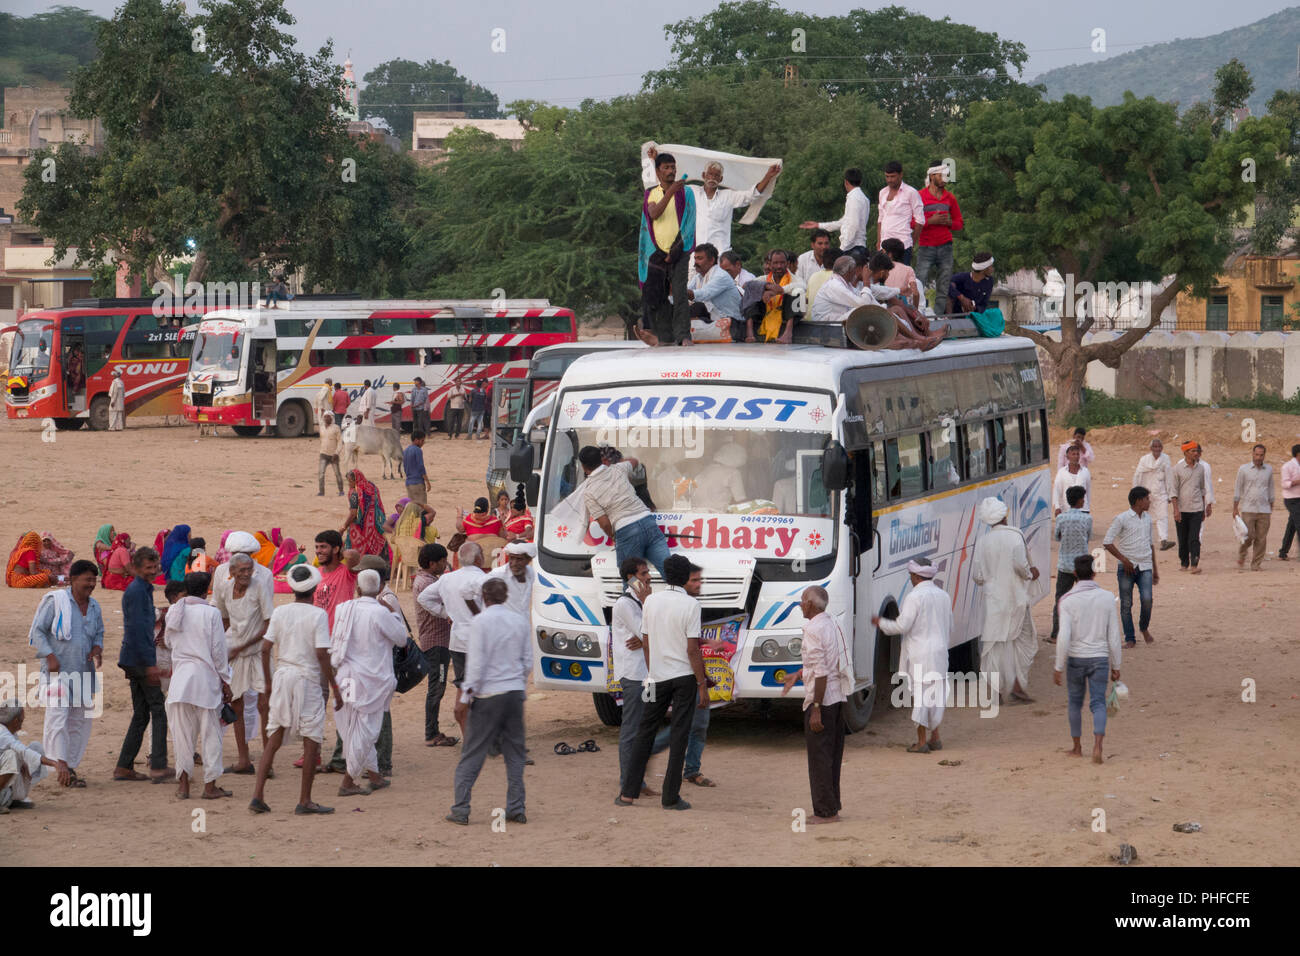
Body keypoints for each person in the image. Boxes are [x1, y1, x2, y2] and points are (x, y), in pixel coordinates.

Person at [616, 555, 707, 811]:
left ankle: (628, 793)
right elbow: (692, 650)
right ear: (685, 576)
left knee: (644, 733)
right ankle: (670, 797)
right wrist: (702, 684)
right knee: (679, 736)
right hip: (684, 678)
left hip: (657, 677)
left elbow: (646, 642)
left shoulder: (651, 601)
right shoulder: (691, 605)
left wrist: (653, 670)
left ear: (665, 576)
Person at [249, 563, 337, 815]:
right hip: (306, 679)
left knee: (274, 737)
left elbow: (265, 649)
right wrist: (335, 687)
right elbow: (321, 654)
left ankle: (258, 795)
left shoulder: (280, 612)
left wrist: (267, 683)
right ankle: (305, 800)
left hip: (282, 676)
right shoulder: (318, 615)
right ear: (315, 588)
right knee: (311, 740)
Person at [445, 577, 532, 825]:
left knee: (473, 754)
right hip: (514, 693)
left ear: (484, 597)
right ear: (505, 596)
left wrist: (465, 697)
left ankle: (460, 809)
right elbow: (527, 661)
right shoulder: (519, 621)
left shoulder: (480, 622)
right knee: (515, 754)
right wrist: (518, 684)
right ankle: (516, 807)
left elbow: (476, 664)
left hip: (488, 695)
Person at [331, 569, 406, 797]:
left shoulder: (344, 609)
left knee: (356, 727)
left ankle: (374, 776)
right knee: (366, 730)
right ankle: (347, 781)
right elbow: (401, 639)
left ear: (358, 588)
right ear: (380, 587)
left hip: (346, 678)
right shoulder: (380, 613)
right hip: (371, 682)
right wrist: (393, 613)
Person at [29, 560, 103, 789]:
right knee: (58, 719)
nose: (91, 584)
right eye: (87, 579)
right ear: (73, 579)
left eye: (94, 580)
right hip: (57, 673)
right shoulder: (56, 602)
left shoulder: (94, 607)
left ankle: (69, 766)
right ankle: (59, 765)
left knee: (79, 722)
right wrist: (49, 656)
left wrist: (97, 648)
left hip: (83, 673)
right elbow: (37, 632)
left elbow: (99, 633)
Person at [164, 571, 231, 800]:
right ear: (207, 589)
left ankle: (183, 786)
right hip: (205, 680)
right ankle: (210, 786)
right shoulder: (211, 613)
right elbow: (219, 653)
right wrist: (226, 681)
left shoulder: (175, 610)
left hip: (180, 681)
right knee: (211, 735)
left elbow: (168, 642)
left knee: (182, 737)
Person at [871, 560, 950, 754]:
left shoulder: (914, 597)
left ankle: (921, 741)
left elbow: (902, 626)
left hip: (921, 654)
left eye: (911, 576)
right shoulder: (944, 595)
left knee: (921, 697)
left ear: (915, 576)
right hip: (940, 652)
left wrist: (880, 622)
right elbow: (950, 625)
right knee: (935, 695)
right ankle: (936, 737)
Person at [643, 149, 779, 260]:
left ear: (721, 179)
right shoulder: (692, 192)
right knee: (692, 292)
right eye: (710, 174)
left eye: (716, 176)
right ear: (703, 175)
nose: (712, 178)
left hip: (720, 256)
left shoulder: (728, 196)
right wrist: (655, 160)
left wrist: (768, 176)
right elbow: (669, 183)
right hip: (695, 256)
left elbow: (751, 195)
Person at [1053, 554, 1123, 764]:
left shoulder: (1066, 601)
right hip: (1100, 658)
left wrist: (1058, 665)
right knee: (1098, 703)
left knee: (1075, 704)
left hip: (1076, 658)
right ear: (1094, 572)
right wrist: (1116, 665)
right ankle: (1098, 745)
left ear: (1074, 574)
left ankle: (1076, 747)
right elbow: (1113, 636)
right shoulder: (1107, 598)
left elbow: (1063, 636)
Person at [971, 497, 1039, 704]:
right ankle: (1017, 687)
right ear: (1005, 516)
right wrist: (1030, 573)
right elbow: (1020, 564)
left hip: (994, 601)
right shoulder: (1015, 536)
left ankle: (995, 691)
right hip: (1016, 599)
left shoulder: (982, 542)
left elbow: (978, 576)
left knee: (995, 644)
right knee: (1022, 640)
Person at [113, 547, 172, 782]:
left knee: (141, 713)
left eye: (154, 566)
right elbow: (139, 631)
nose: (152, 571)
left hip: (133, 657)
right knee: (158, 709)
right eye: (147, 567)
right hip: (139, 659)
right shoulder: (138, 591)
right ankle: (158, 765)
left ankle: (124, 766)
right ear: (136, 568)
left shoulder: (142, 589)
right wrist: (149, 665)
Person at [416, 541, 488, 722]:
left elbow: (423, 598)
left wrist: (446, 613)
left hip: (457, 641)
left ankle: (468, 734)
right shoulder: (484, 579)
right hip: (480, 642)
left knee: (463, 686)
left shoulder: (447, 579)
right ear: (479, 559)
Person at [215, 552, 272, 772]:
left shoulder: (259, 588)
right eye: (242, 571)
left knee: (264, 705)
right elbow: (223, 619)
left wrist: (241, 646)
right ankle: (243, 759)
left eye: (249, 569)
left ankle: (267, 763)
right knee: (236, 703)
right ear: (232, 573)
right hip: (236, 655)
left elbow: (269, 625)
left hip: (257, 653)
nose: (247, 574)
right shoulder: (225, 589)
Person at [579, 444, 670, 576]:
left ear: (584, 467)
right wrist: (617, 462)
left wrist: (615, 537)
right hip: (649, 523)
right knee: (669, 572)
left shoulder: (588, 492)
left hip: (626, 531)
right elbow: (634, 461)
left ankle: (637, 595)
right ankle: (678, 593)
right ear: (601, 459)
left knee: (631, 579)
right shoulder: (618, 469)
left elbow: (604, 523)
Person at [639, 151, 698, 346]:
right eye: (666, 167)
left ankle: (684, 336)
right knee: (656, 293)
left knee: (680, 293)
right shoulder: (652, 193)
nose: (671, 171)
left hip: (680, 250)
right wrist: (671, 191)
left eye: (673, 167)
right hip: (657, 252)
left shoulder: (687, 192)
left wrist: (676, 250)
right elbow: (654, 213)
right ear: (658, 172)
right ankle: (665, 336)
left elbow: (689, 222)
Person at [612, 558, 656, 799]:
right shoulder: (626, 604)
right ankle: (629, 784)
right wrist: (647, 637)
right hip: (633, 673)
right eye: (642, 573)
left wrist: (647, 638)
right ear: (630, 578)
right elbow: (646, 632)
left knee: (642, 729)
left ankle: (636, 781)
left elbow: (652, 633)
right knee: (631, 730)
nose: (648, 577)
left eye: (647, 572)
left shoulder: (641, 602)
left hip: (645, 672)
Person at [413, 543, 458, 748]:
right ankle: (431, 733)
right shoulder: (426, 584)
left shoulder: (427, 580)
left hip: (436, 641)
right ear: (433, 563)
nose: (445, 564)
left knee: (436, 687)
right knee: (436, 688)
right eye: (442, 561)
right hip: (436, 642)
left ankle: (433, 731)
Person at [1103, 486, 1159, 648]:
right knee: (1126, 604)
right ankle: (1130, 637)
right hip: (1127, 567)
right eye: (1147, 499)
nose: (1149, 501)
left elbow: (1150, 544)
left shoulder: (1148, 519)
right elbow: (1107, 541)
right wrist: (1123, 559)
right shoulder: (1122, 519)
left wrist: (1155, 569)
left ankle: (1143, 627)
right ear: (1138, 501)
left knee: (1147, 600)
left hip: (1145, 565)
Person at [915, 163, 963, 314]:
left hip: (945, 246)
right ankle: (918, 315)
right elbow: (911, 222)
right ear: (931, 176)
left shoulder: (950, 197)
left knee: (944, 285)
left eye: (946, 175)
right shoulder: (920, 196)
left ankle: (938, 317)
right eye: (941, 175)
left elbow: (959, 223)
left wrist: (949, 223)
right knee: (919, 283)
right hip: (926, 246)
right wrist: (930, 221)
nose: (944, 179)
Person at [1050, 485, 1092, 643]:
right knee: (1085, 599)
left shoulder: (1061, 518)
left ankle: (1056, 634)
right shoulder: (1087, 518)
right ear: (1081, 500)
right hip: (1082, 565)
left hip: (1065, 565)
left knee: (1060, 599)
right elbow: (1088, 537)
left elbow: (1057, 536)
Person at [0, 699, 59, 811]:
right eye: (21, 721)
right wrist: (54, 763)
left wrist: (22, 762)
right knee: (12, 756)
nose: (21, 726)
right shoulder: (2, 733)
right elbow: (23, 751)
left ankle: (15, 798)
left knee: (36, 748)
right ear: (15, 721)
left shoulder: (8, 730)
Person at [800, 168, 869, 260]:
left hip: (853, 248)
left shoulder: (854, 198)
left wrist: (843, 249)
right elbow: (843, 222)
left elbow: (853, 225)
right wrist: (818, 225)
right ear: (860, 182)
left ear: (846, 182)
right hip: (856, 247)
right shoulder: (862, 197)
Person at [1234, 444, 1274, 571]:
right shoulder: (1243, 469)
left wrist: (1271, 505)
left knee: (1261, 539)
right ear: (1252, 454)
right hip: (1248, 508)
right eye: (1256, 454)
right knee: (1248, 535)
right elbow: (1238, 488)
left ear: (1264, 455)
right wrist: (1235, 508)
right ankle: (1242, 553)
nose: (1258, 457)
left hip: (1264, 509)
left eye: (1261, 455)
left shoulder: (1269, 469)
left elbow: (1271, 488)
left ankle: (1256, 564)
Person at [1170, 441, 1208, 573]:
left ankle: (1194, 565)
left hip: (1196, 509)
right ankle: (1184, 563)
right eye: (1193, 451)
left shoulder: (1201, 469)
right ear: (1185, 453)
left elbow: (1202, 489)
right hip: (1181, 509)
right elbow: (1173, 492)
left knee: (1194, 538)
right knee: (1183, 538)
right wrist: (1176, 510)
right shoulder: (1177, 469)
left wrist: (1203, 508)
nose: (1196, 453)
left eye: (1197, 451)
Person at [876, 160, 925, 263]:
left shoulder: (911, 192)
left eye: (892, 176)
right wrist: (878, 241)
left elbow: (920, 220)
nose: (889, 180)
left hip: (903, 244)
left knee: (901, 277)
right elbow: (880, 218)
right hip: (884, 245)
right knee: (883, 277)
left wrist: (912, 243)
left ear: (901, 175)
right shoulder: (882, 192)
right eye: (887, 176)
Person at [1134, 437, 1176, 550]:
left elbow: (1169, 477)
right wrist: (1137, 493)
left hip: (1161, 493)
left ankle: (1164, 540)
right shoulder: (1144, 460)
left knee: (1163, 516)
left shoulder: (1166, 459)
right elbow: (1138, 476)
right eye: (1155, 447)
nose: (1157, 449)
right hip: (1146, 494)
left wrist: (1170, 494)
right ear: (1151, 448)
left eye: (1159, 447)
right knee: (1147, 518)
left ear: (1162, 448)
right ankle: (1145, 542)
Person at [342, 469, 392, 563]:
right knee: (377, 546)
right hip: (374, 525)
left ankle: (358, 569)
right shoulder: (372, 487)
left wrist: (343, 527)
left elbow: (353, 513)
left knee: (357, 548)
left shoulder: (355, 493)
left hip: (359, 528)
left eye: (350, 481)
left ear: (356, 480)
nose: (349, 484)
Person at [1052, 443, 1091, 515]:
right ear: (1067, 456)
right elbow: (1057, 491)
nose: (1076, 456)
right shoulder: (1061, 472)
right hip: (1066, 509)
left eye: (1077, 454)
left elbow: (1088, 491)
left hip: (1083, 509)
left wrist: (1088, 507)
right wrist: (1057, 507)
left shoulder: (1085, 472)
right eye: (1073, 454)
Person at [881, 237, 921, 305]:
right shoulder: (908, 269)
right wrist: (915, 310)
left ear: (890, 255)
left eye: (883, 251)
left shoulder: (881, 268)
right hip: (902, 306)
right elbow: (915, 293)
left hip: (885, 305)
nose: (881, 254)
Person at [1280, 443, 1300, 560]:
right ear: (1298, 455)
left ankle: (1283, 552)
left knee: (1292, 526)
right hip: (1291, 499)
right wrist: (1296, 482)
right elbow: (1284, 484)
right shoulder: (1287, 467)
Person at [401, 430, 431, 507]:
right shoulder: (418, 450)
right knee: (422, 508)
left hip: (409, 483)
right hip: (417, 483)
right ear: (416, 440)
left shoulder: (406, 451)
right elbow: (421, 467)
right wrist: (427, 482)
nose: (423, 443)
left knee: (412, 508)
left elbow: (404, 467)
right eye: (422, 440)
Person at [318, 411, 344, 496]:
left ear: (332, 418)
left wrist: (336, 453)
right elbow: (321, 440)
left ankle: (341, 491)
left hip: (334, 455)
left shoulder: (336, 428)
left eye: (328, 417)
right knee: (321, 473)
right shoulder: (321, 428)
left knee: (337, 474)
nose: (326, 418)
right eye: (325, 417)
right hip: (323, 454)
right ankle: (321, 492)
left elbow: (340, 442)